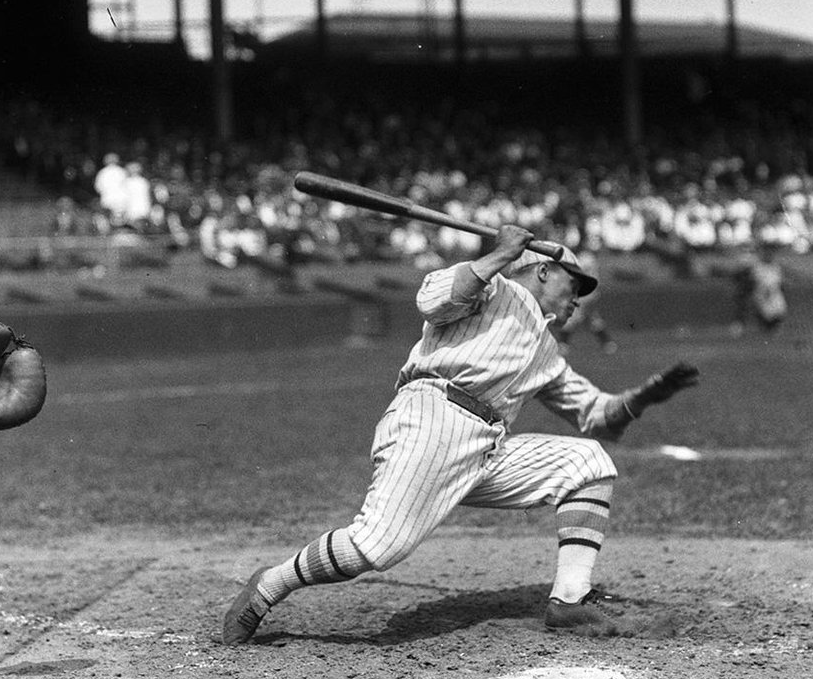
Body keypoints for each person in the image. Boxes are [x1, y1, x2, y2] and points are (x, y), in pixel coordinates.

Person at [223, 225, 699, 645]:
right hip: (435, 417)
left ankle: (570, 601)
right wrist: (499, 256)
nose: (579, 299)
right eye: (574, 285)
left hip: (485, 446)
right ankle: (271, 584)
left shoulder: (547, 351)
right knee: (376, 548)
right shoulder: (492, 288)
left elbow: (598, 416)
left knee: (589, 463)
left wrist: (647, 395)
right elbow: (431, 299)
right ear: (542, 273)